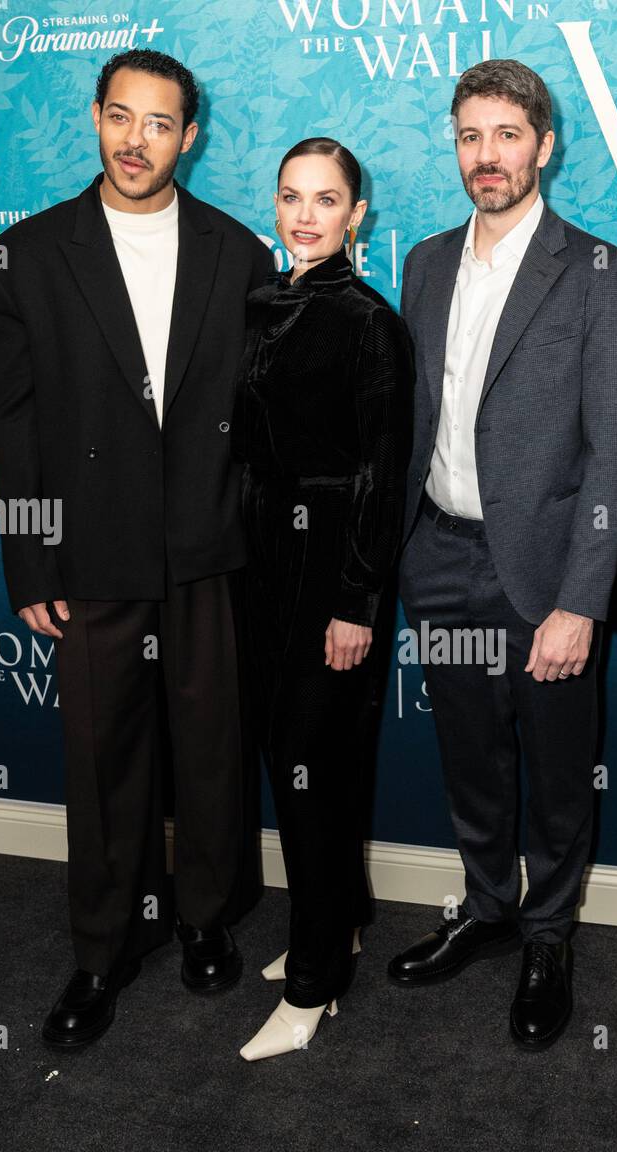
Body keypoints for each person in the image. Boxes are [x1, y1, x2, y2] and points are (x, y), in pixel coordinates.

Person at [0, 49, 273, 1049]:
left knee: (212, 750)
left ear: (188, 136)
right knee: (104, 764)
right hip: (90, 555)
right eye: (119, 116)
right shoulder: (21, 257)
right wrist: (29, 560)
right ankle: (103, 948)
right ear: (94, 119)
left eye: (158, 123)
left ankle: (200, 918)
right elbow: (11, 425)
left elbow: (260, 426)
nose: (134, 140)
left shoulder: (240, 256)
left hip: (206, 553)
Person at [387, 60, 617, 1050]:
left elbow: (612, 450)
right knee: (471, 759)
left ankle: (548, 934)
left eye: (505, 136)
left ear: (543, 145)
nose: (485, 156)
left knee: (555, 762)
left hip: (541, 576)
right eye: (468, 137)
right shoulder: (423, 263)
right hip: (438, 563)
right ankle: (488, 909)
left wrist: (580, 599)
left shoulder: (597, 272)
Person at [232, 138, 414, 1061]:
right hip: (260, 562)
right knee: (293, 755)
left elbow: (384, 475)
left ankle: (313, 987)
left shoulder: (367, 321)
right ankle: (334, 923)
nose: (306, 215)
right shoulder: (264, 300)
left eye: (328, 199)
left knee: (313, 759)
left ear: (357, 217)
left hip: (330, 570)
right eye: (293, 196)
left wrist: (355, 600)